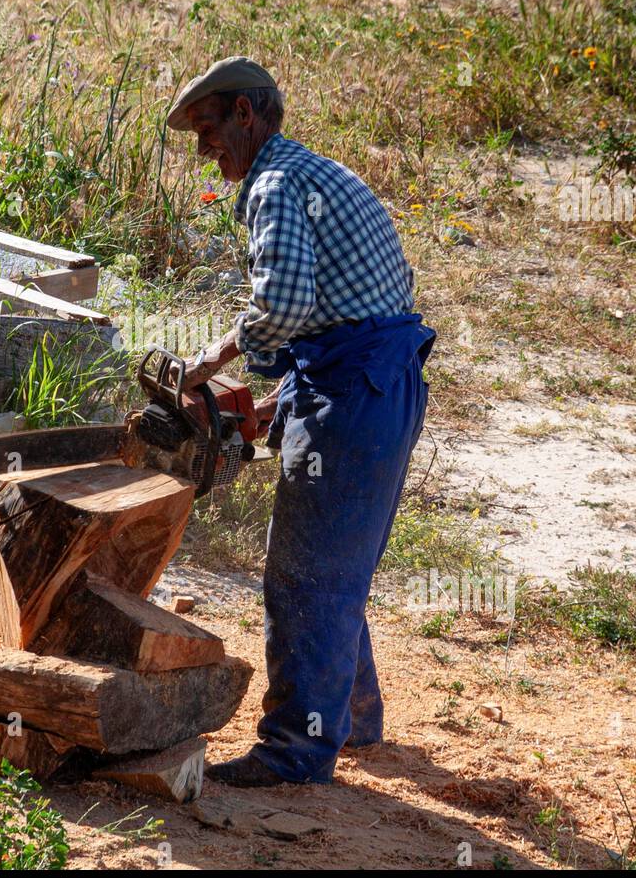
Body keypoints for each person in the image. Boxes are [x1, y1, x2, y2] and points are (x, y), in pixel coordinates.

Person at [168, 56, 436, 786]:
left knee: (304, 578)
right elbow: (346, 312)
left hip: (354, 391)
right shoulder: (319, 172)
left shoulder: (277, 185)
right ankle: (352, 716)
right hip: (381, 385)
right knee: (337, 568)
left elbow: (283, 308)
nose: (206, 149)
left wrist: (206, 364)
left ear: (248, 115)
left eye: (211, 127)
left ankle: (294, 752)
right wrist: (277, 400)